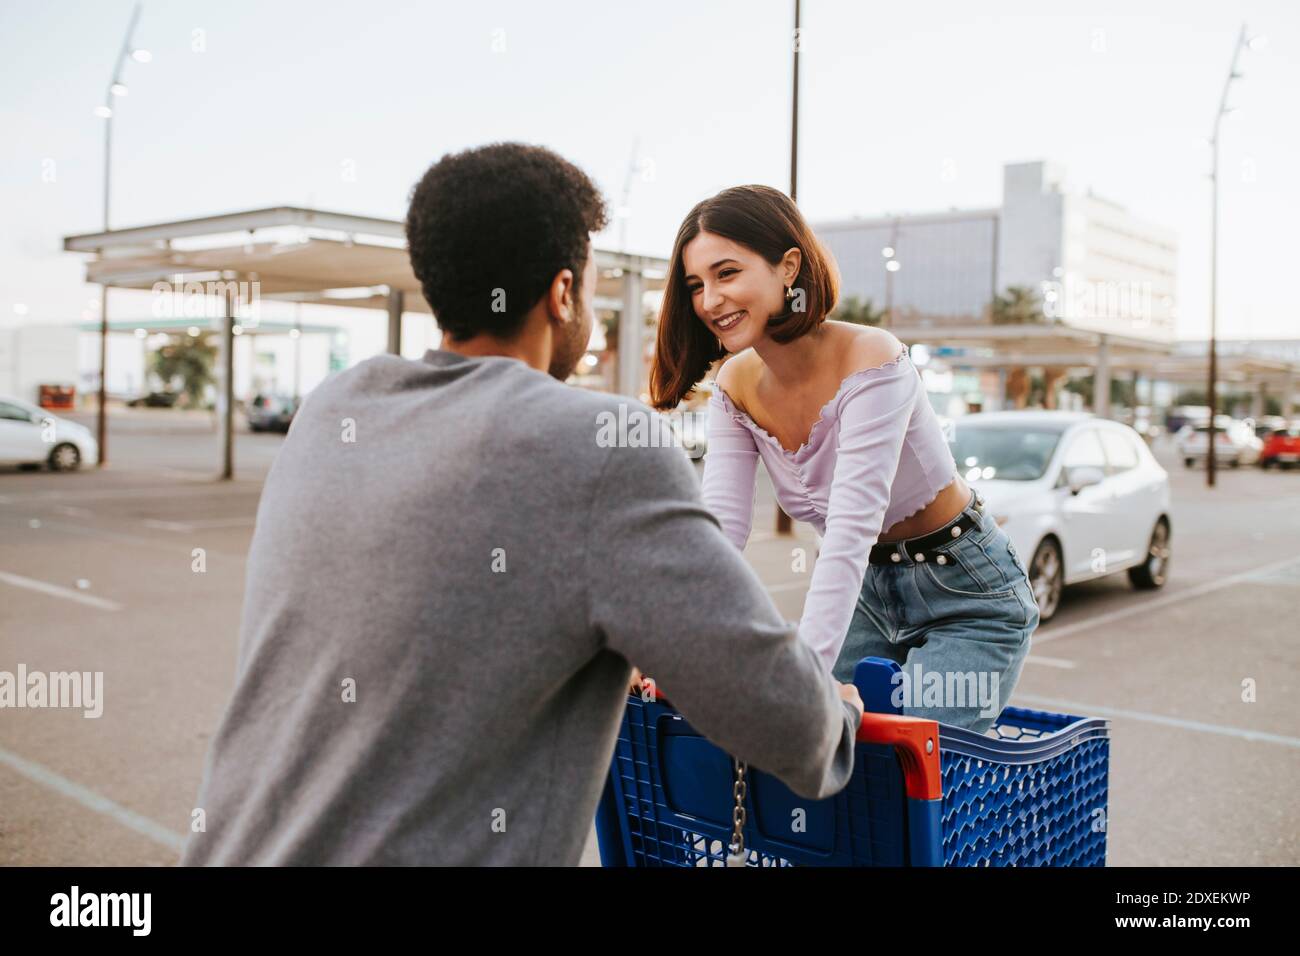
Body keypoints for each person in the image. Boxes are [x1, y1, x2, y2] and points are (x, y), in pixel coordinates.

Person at [179, 144, 864, 867]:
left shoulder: (334, 410)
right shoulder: (601, 444)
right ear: (563, 294)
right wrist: (838, 714)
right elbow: (784, 720)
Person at [649, 184, 1039, 733]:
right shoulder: (735, 383)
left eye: (727, 273)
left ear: (789, 267)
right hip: (865, 591)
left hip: (965, 589)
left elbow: (853, 524)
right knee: (827, 775)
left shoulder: (871, 357)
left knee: (915, 778)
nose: (710, 300)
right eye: (696, 285)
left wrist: (804, 677)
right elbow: (722, 529)